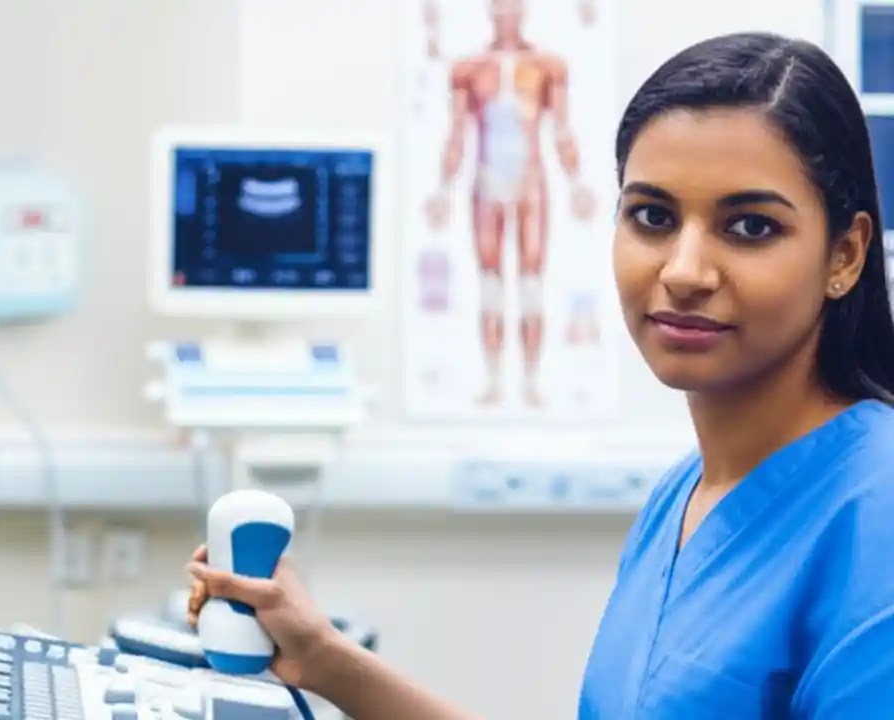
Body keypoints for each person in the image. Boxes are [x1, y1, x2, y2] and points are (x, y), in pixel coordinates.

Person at [186, 32, 894, 718]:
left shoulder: (875, 512)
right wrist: (324, 659)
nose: (683, 272)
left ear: (846, 256)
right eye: (652, 216)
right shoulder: (683, 497)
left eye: (749, 228)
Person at [426, 0, 596, 408]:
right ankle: (494, 379)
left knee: (532, 282)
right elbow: (456, 135)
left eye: (513, 6)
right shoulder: (469, 69)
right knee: (490, 284)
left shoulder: (547, 66)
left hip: (530, 182)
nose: (506, 12)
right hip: (486, 180)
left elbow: (561, 130)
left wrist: (576, 183)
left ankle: (531, 380)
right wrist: (443, 189)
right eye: (499, 6)